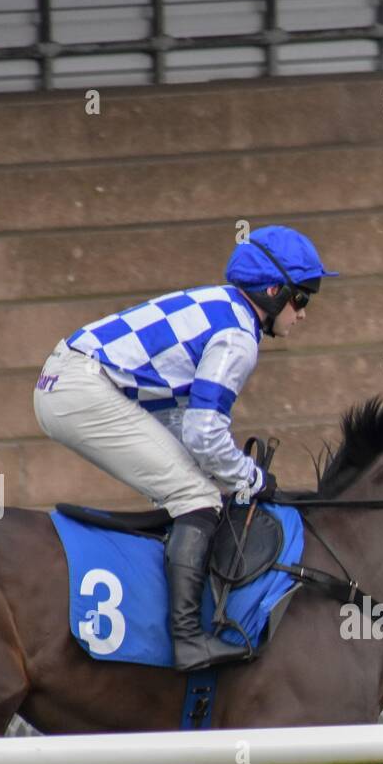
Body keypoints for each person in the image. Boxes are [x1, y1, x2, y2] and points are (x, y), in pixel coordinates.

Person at [33, 224, 337, 670]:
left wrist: (231, 475)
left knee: (195, 488)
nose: (303, 313)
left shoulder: (222, 304)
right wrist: (250, 478)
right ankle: (188, 639)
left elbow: (183, 421)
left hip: (71, 381)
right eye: (301, 298)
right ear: (273, 291)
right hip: (78, 390)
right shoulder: (238, 336)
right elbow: (203, 431)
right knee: (195, 497)